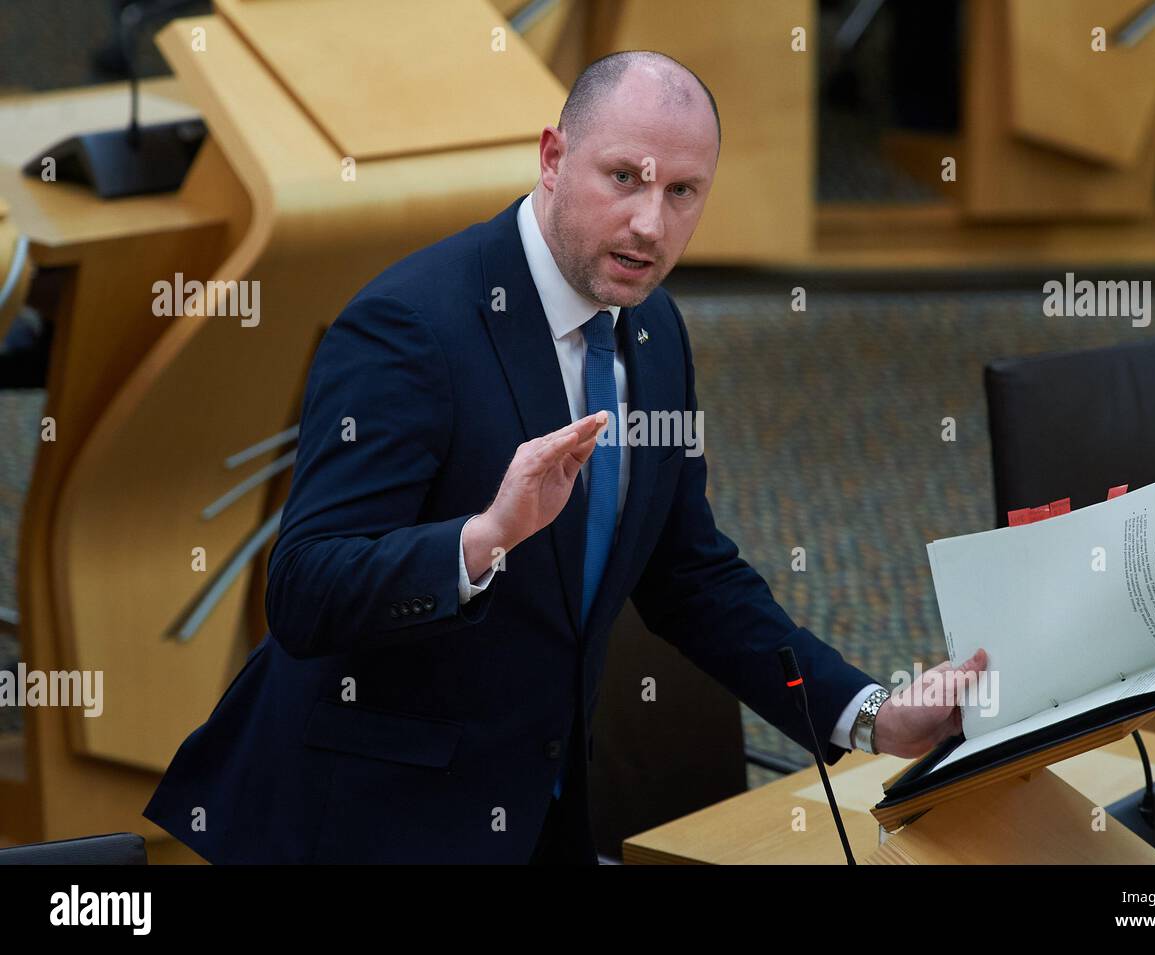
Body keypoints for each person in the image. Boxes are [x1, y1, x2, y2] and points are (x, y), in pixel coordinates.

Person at [143, 50, 985, 864]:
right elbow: (303, 589)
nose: (651, 224)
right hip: (368, 820)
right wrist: (481, 539)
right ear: (553, 157)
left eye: (683, 192)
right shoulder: (410, 328)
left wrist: (869, 713)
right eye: (625, 178)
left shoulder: (654, 332)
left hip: (538, 811)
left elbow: (687, 574)